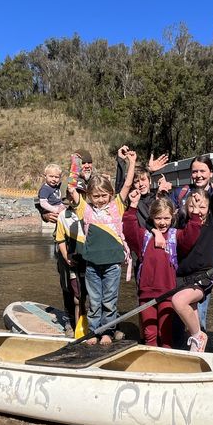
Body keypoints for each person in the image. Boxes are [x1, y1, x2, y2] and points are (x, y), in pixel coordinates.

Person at [67, 148, 136, 345]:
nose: (100, 199)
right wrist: (75, 164)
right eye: (96, 196)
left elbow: (128, 184)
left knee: (109, 301)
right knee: (94, 302)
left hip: (113, 265)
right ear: (89, 195)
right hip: (92, 265)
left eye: (104, 195)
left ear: (111, 194)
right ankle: (93, 333)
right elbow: (72, 187)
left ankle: (107, 332)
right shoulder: (85, 209)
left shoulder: (117, 206)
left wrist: (131, 162)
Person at [169, 143, 213, 352]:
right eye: (194, 171)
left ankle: (199, 337)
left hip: (204, 275)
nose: (198, 209)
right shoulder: (185, 216)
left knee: (184, 307)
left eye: (202, 206)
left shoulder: (212, 219)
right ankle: (195, 350)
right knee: (188, 318)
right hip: (184, 274)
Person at [149, 151, 213, 331]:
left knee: (199, 318)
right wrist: (156, 230)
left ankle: (198, 352)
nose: (198, 175)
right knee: (181, 318)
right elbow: (160, 216)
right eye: (195, 171)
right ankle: (186, 350)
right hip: (182, 267)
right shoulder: (181, 194)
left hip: (205, 269)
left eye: (203, 171)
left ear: (211, 172)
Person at [123, 195, 199, 347]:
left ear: (172, 217)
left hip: (167, 293)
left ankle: (167, 362)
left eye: (166, 218)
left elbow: (191, 236)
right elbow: (129, 228)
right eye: (158, 218)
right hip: (146, 293)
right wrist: (132, 206)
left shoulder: (175, 236)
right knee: (149, 333)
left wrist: (195, 214)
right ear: (151, 218)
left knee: (165, 334)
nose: (163, 222)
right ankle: (151, 362)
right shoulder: (144, 236)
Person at [52, 200, 86, 333]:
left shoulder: (88, 209)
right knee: (68, 287)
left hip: (85, 256)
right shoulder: (62, 213)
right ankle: (70, 321)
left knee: (88, 293)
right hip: (66, 252)